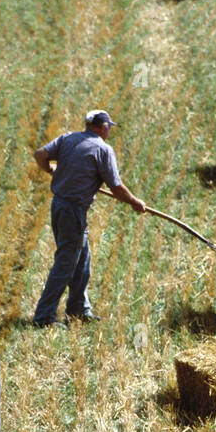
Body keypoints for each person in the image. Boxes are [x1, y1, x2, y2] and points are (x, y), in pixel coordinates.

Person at [31, 109, 145, 328]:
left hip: (60, 206)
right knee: (65, 264)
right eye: (109, 127)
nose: (109, 130)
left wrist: (51, 170)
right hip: (73, 211)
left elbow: (39, 155)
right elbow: (116, 187)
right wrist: (134, 202)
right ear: (102, 127)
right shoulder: (103, 149)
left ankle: (78, 309)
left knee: (82, 260)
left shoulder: (68, 138)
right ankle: (44, 317)